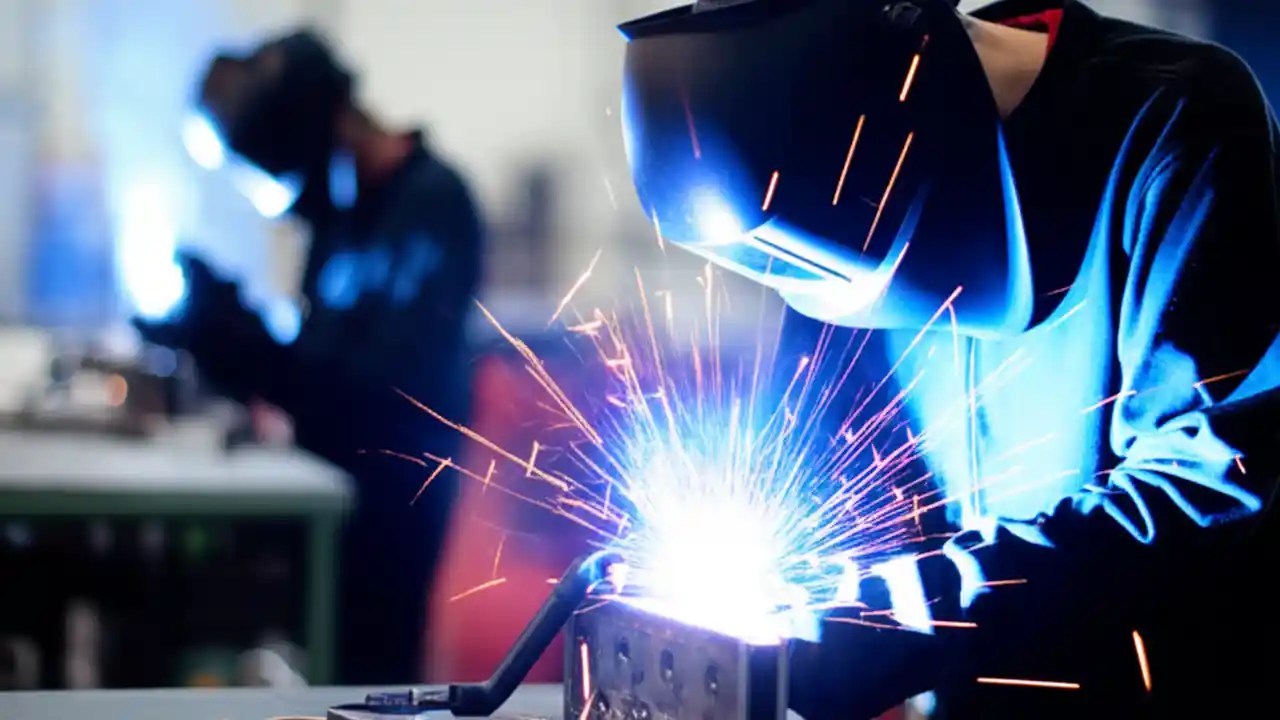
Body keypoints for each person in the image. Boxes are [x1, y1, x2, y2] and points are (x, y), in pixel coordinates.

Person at [617, 0, 1280, 717]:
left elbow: (1203, 489)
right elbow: (823, 484)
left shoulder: (1180, 120)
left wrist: (894, 619)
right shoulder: (824, 202)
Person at [135, 30, 484, 684]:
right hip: (330, 496)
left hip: (392, 512)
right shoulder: (343, 215)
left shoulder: (432, 203)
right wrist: (225, 328)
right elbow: (319, 358)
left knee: (369, 679)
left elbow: (379, 393)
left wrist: (250, 352)